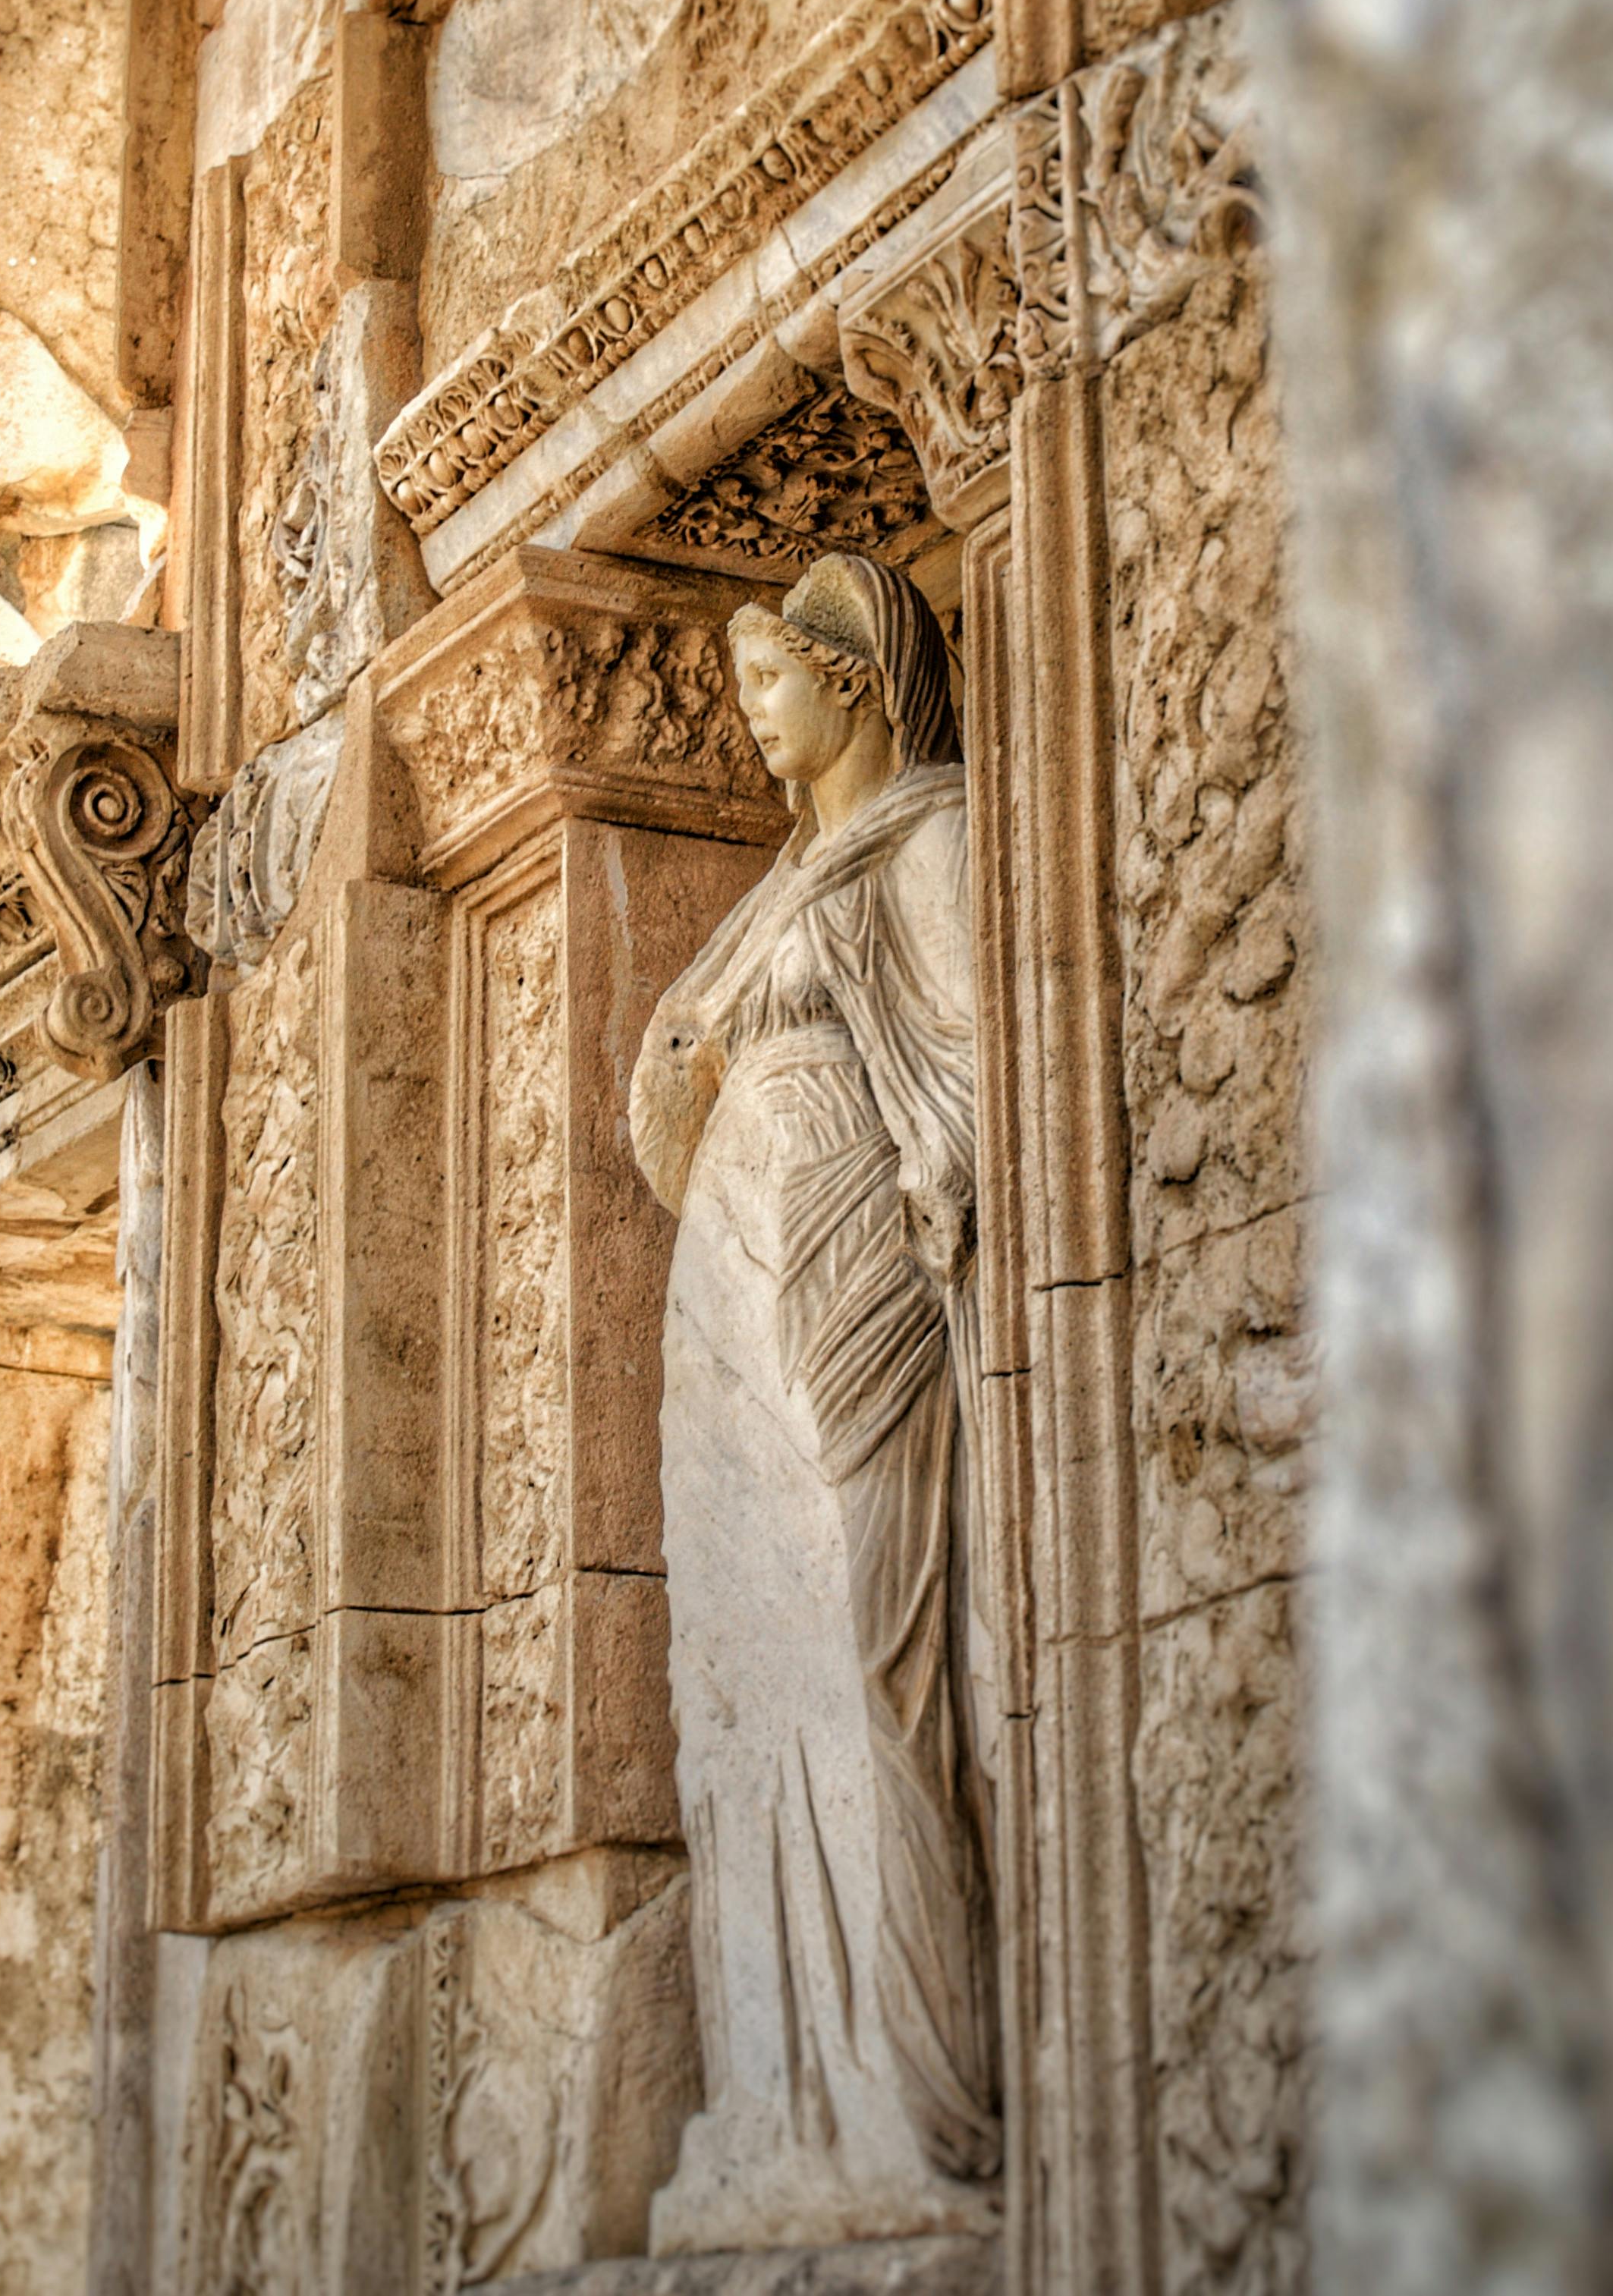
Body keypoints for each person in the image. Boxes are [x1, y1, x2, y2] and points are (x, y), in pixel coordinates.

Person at [630, 551, 1000, 2254]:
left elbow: (978, 1085)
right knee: (744, 1682)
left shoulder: (925, 833)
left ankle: (908, 2096)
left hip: (852, 1281)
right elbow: (665, 1109)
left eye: (769, 676)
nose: (748, 710)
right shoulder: (775, 886)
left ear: (850, 679)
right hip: (731, 1299)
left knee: (871, 1653)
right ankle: (778, 2101)